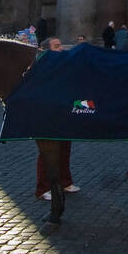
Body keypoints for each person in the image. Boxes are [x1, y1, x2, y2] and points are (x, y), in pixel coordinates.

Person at [33, 38, 79, 200]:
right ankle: (43, 188)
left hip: (63, 111)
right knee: (47, 151)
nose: (60, 49)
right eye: (56, 46)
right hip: (47, 113)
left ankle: (65, 182)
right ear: (46, 50)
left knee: (65, 148)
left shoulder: (63, 65)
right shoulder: (40, 67)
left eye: (60, 46)